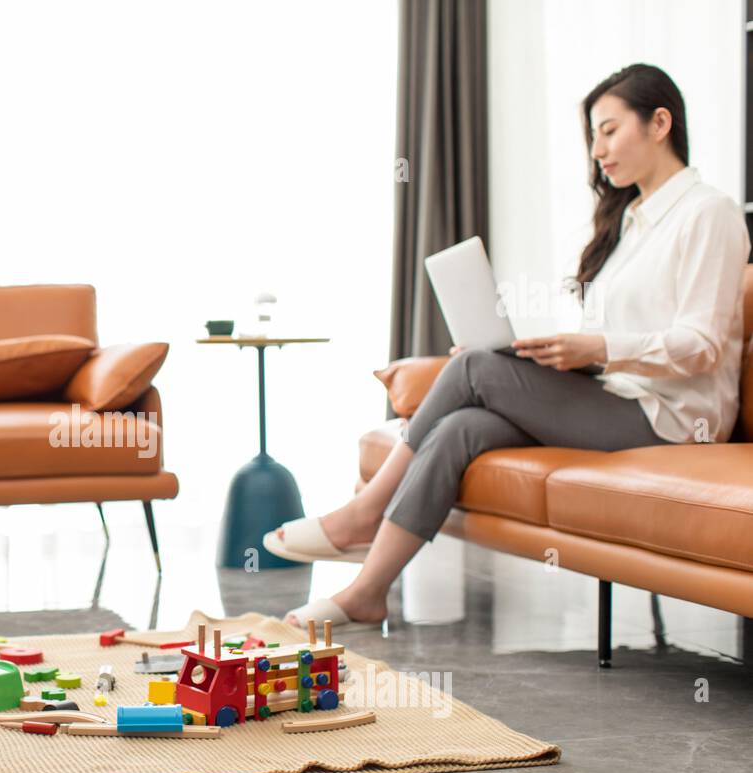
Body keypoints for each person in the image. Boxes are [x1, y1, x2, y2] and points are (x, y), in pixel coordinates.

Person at [265, 63, 750, 628]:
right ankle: (367, 592)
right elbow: (621, 344)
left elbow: (703, 345)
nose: (598, 149)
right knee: (460, 428)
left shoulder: (708, 213)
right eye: (594, 135)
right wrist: (559, 356)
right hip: (618, 396)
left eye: (609, 130)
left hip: (672, 417)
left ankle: (364, 513)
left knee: (475, 368)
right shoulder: (633, 224)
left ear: (660, 122)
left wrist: (595, 347)